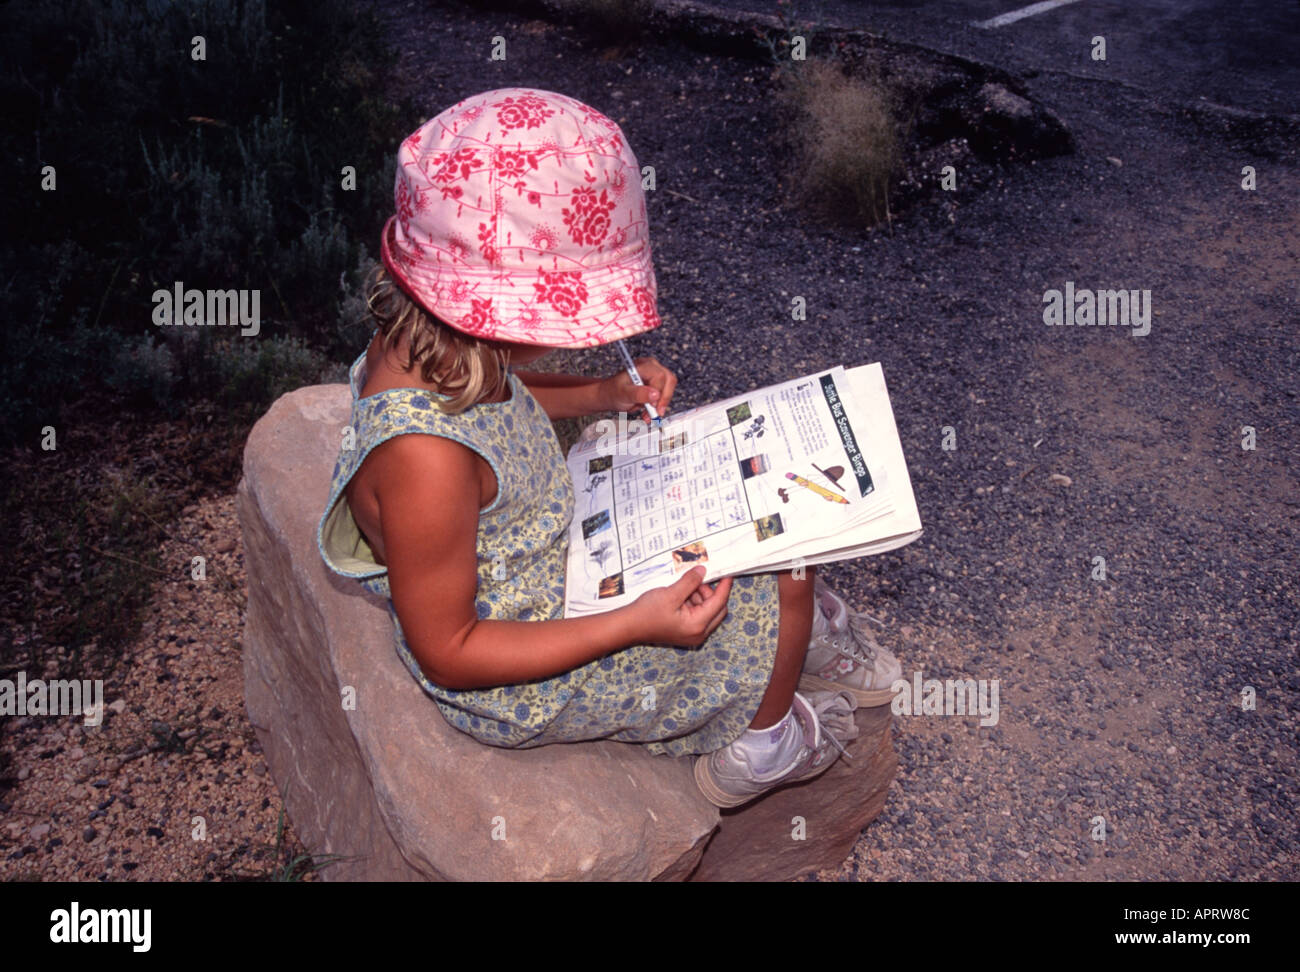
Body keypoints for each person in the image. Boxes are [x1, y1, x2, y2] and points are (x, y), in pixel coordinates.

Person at [317, 88, 901, 809]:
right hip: (516, 669)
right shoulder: (422, 460)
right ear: (491, 307)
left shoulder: (430, 342)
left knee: (768, 539)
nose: (582, 335)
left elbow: (503, 398)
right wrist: (637, 623)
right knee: (787, 570)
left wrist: (600, 396)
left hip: (544, 558)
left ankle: (796, 636)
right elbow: (451, 649)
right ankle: (762, 742)